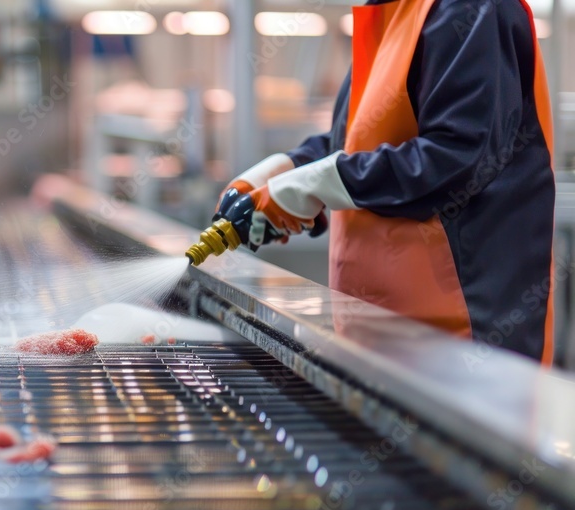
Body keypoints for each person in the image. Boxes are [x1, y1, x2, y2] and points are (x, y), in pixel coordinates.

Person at [216, 0, 556, 364]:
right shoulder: (390, 12)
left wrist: (313, 183)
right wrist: (285, 168)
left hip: (465, 338)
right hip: (384, 335)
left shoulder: (471, 9)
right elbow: (355, 143)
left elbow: (454, 157)